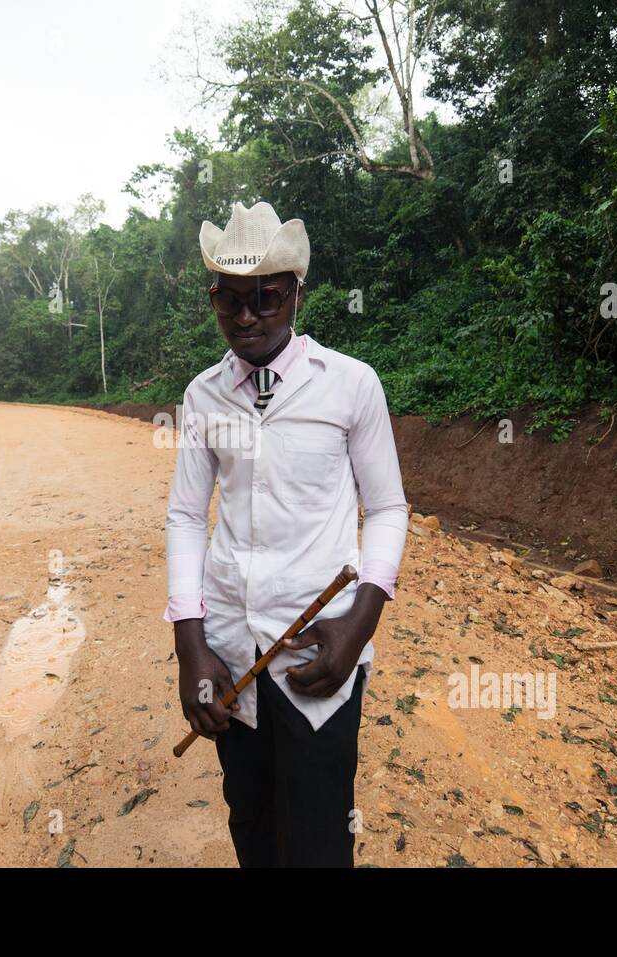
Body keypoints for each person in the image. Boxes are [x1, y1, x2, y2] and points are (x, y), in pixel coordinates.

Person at [164, 200, 408, 867]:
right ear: (215, 298)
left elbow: (386, 507)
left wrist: (361, 620)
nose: (246, 317)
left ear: (296, 291)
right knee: (252, 816)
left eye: (265, 297)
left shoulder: (352, 387)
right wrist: (191, 647)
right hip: (230, 656)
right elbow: (187, 516)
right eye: (230, 299)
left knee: (320, 831)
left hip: (314, 652)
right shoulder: (204, 396)